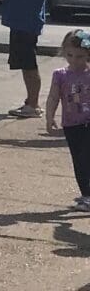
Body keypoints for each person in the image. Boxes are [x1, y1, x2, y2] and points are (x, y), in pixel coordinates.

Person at [42, 27, 90, 212]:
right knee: (79, 159)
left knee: (86, 158)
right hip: (71, 124)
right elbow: (53, 97)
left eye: (79, 56)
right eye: (70, 55)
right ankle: (86, 193)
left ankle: (88, 194)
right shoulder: (60, 75)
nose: (74, 60)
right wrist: (49, 117)